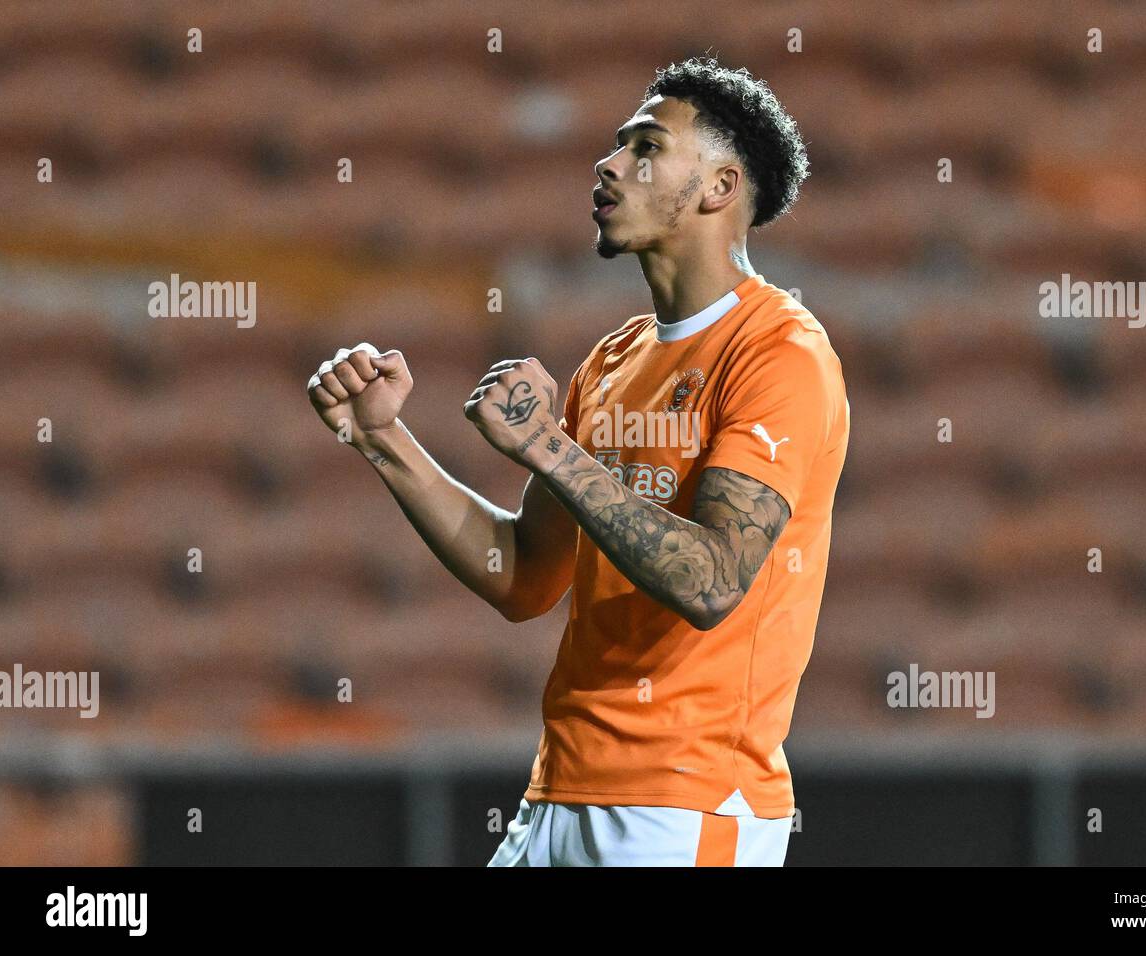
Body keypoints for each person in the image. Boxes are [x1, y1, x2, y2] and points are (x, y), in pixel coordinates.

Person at [307, 56, 849, 866]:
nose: (608, 163)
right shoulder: (613, 360)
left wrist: (550, 449)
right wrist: (384, 438)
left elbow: (713, 581)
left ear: (718, 188)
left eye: (645, 147)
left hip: (685, 807)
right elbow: (523, 577)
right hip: (559, 792)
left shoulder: (780, 352)